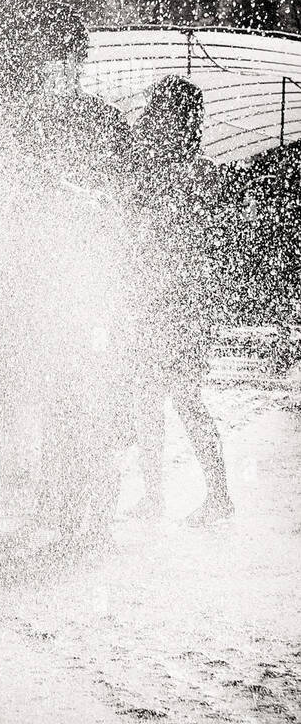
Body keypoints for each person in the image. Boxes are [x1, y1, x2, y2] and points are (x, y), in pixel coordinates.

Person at [123, 75, 233, 526]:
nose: (152, 117)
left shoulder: (192, 173)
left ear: (179, 120)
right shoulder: (166, 169)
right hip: (161, 301)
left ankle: (218, 495)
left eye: (159, 110)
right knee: (150, 401)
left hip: (178, 306)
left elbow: (185, 237)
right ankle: (159, 496)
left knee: (182, 399)